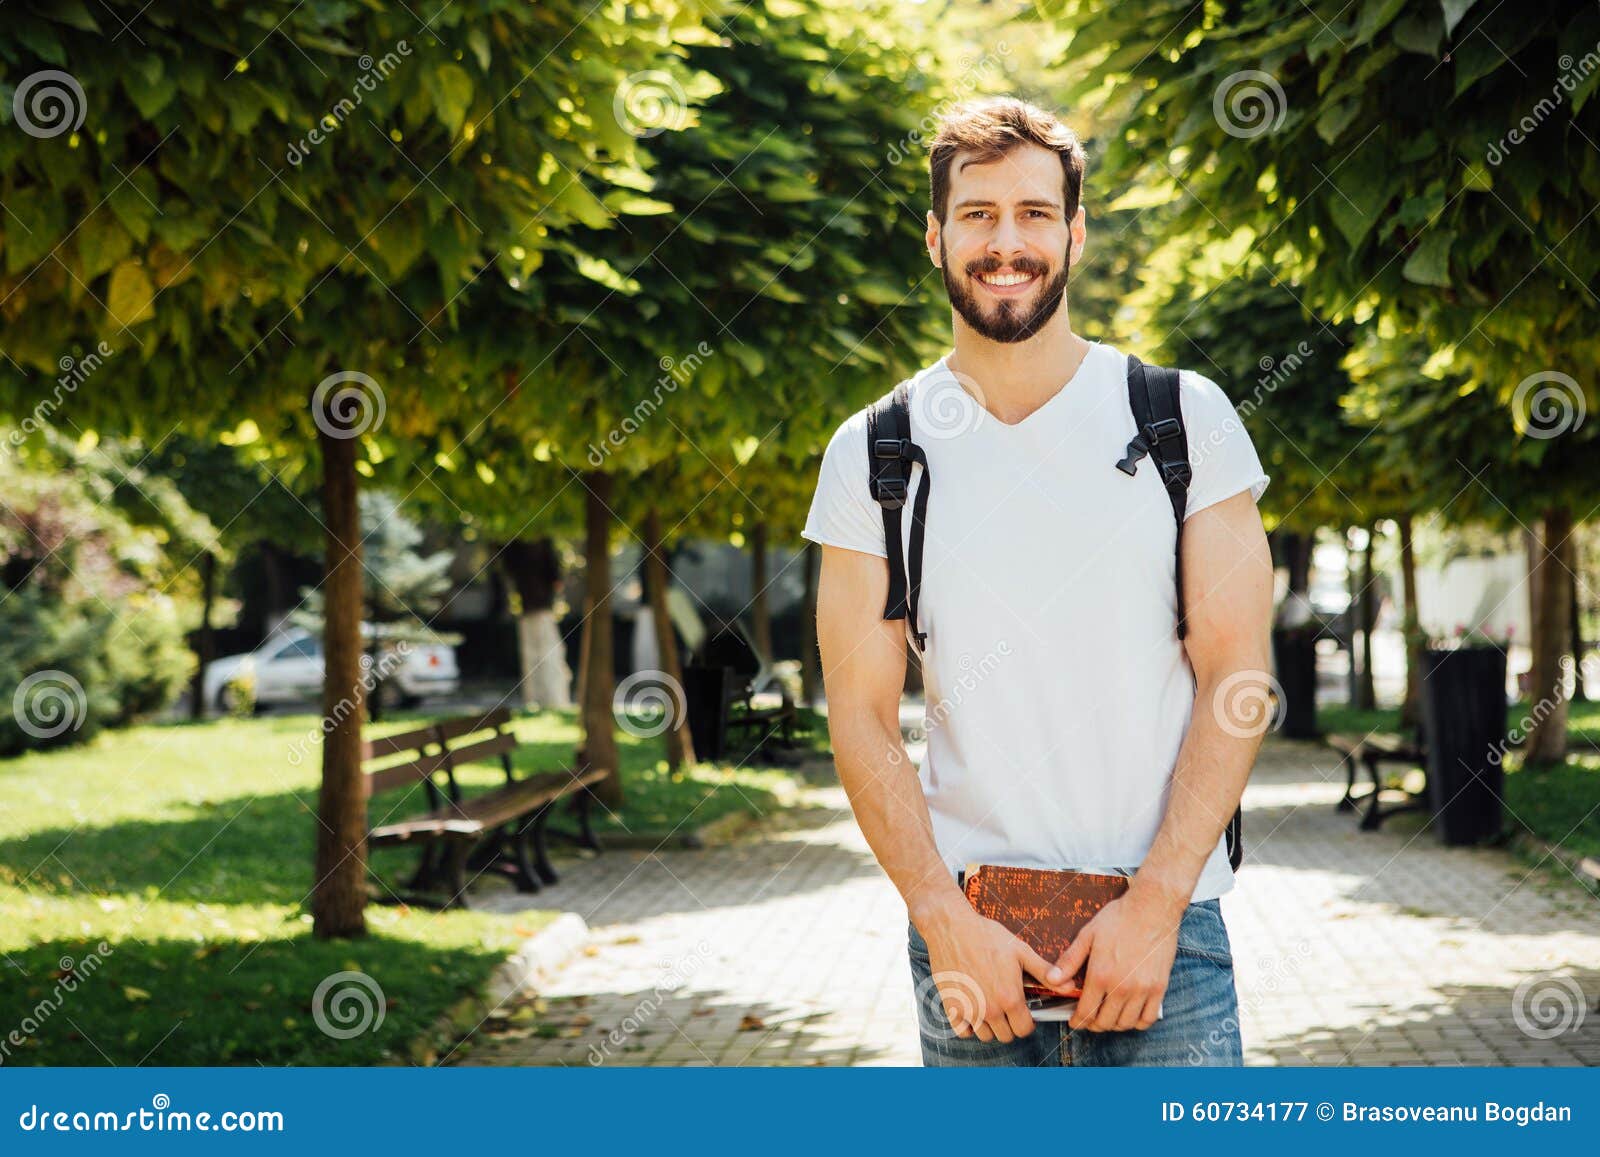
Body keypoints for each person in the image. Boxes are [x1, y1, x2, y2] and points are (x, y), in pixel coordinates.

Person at [801, 97, 1274, 1066]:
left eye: (1032, 212)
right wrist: (940, 915)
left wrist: (1155, 901)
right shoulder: (875, 450)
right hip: (971, 945)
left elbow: (1236, 675)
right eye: (976, 214)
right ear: (935, 237)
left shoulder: (1181, 420)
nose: (1004, 241)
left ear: (1074, 231)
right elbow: (857, 710)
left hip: (1164, 942)